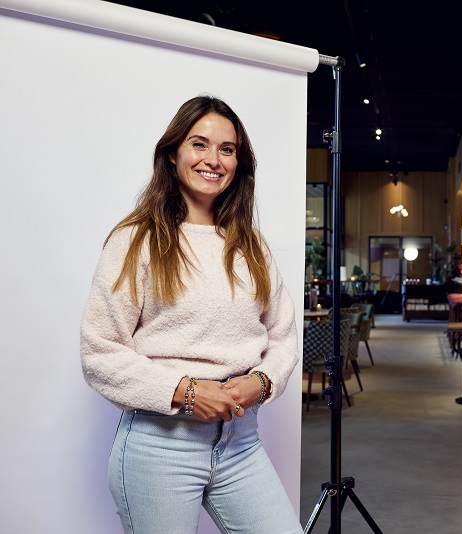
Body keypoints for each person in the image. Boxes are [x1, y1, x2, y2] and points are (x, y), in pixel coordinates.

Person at [80, 95, 303, 534]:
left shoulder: (251, 246)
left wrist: (261, 381)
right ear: (173, 153)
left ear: (239, 162)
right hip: (158, 447)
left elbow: (282, 336)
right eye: (199, 144)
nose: (213, 160)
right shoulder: (136, 240)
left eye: (227, 149)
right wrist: (185, 391)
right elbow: (99, 353)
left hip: (240, 444)